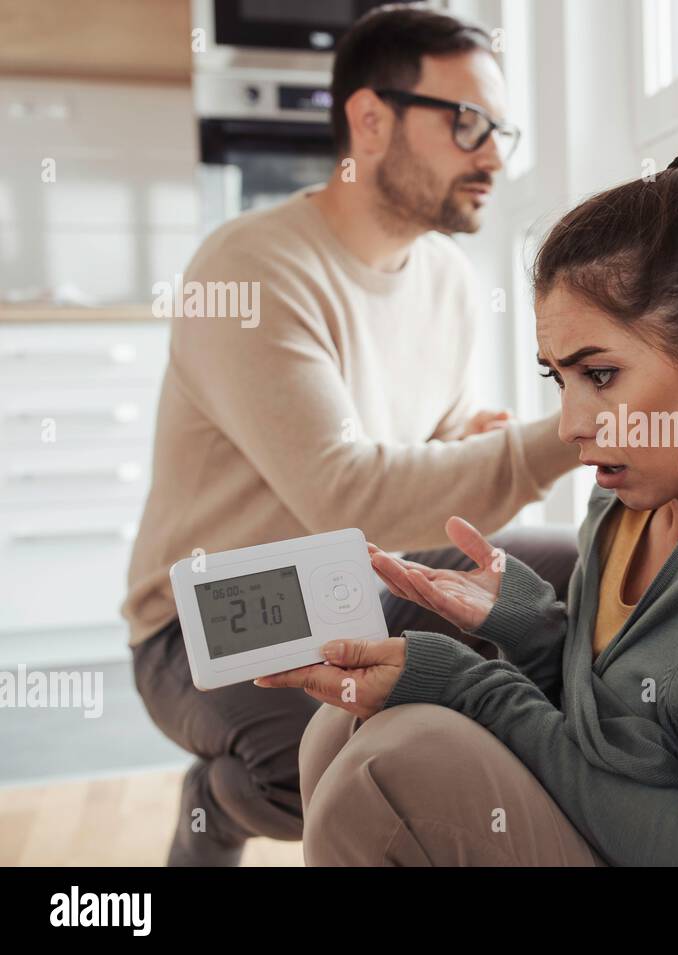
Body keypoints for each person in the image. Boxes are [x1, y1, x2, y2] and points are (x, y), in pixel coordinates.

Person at [270, 146, 678, 866]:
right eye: (560, 380)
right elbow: (614, 720)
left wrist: (468, 684)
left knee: (393, 766)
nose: (573, 423)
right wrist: (530, 626)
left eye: (600, 375)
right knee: (338, 728)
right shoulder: (628, 500)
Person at [124, 6, 580, 867]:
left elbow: (423, 450)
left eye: (502, 129)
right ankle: (219, 806)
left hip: (360, 568)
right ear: (369, 121)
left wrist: (465, 440)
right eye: (468, 122)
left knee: (563, 574)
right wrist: (570, 430)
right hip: (212, 608)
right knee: (324, 755)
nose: (494, 154)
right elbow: (348, 492)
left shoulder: (444, 277)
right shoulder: (251, 271)